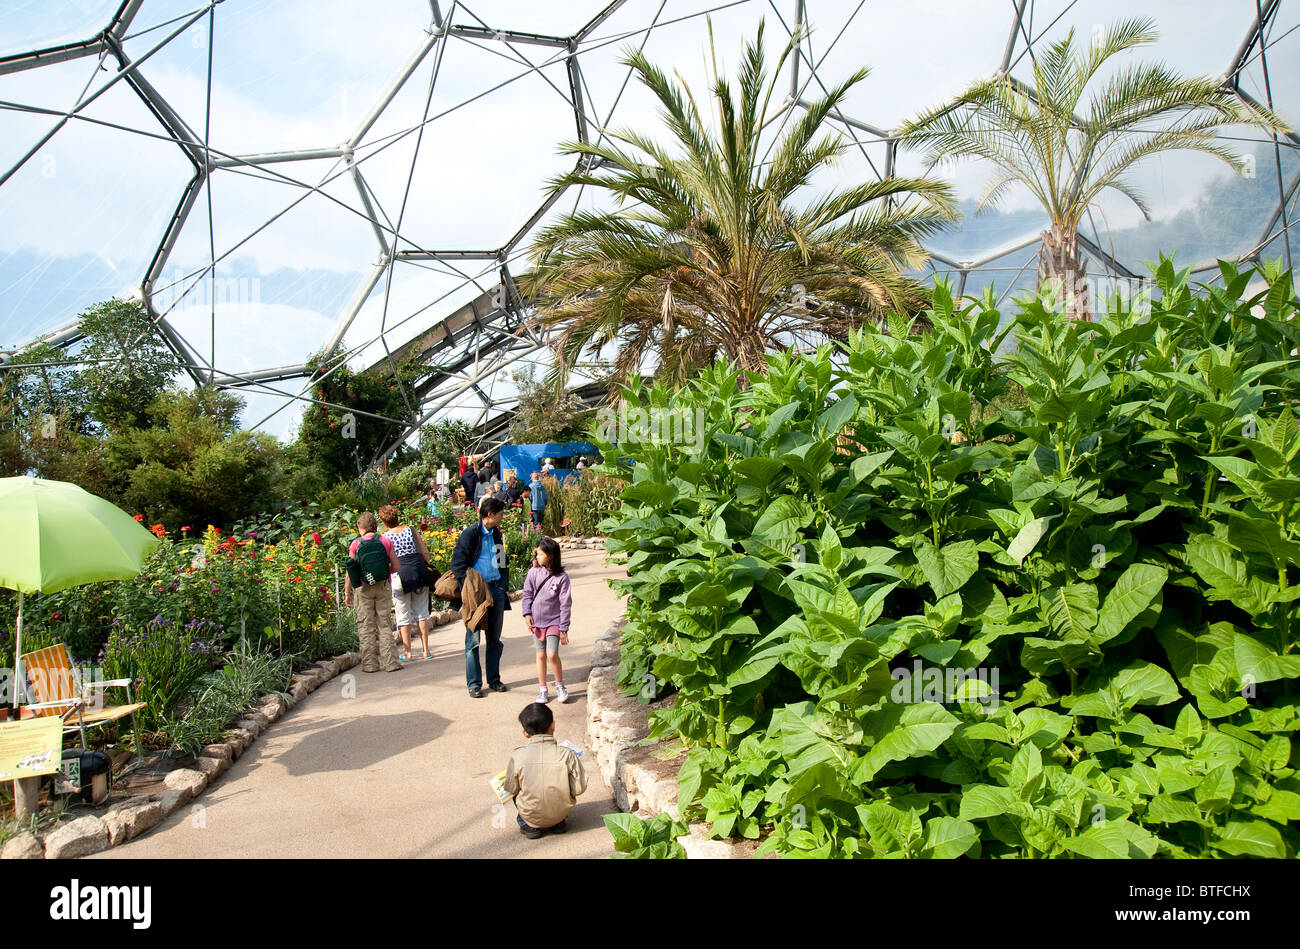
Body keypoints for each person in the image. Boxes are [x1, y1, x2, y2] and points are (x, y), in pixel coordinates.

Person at [450, 497, 511, 698]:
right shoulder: (470, 534)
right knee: (473, 641)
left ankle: (494, 679)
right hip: (476, 595)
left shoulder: (496, 535)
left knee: (494, 639)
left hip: (495, 590)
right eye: (501, 514)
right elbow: (457, 565)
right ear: (490, 514)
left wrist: (502, 586)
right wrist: (469, 588)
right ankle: (474, 684)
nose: (503, 517)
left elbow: (502, 561)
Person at [502, 703, 586, 839]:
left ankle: (529, 826)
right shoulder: (566, 754)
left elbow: (511, 788)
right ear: (553, 725)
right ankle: (557, 824)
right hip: (560, 813)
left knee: (514, 789)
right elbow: (579, 788)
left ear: (525, 733)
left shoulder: (517, 756)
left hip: (530, 816)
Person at [343, 512, 405, 673]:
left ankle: (370, 664)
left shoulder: (356, 544)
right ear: (375, 526)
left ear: (360, 528)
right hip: (383, 586)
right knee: (384, 624)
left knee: (365, 625)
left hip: (363, 589)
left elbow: (350, 571)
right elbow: (397, 567)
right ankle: (391, 663)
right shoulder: (385, 541)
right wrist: (383, 572)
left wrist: (347, 593)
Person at [378, 503, 437, 661]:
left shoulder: (385, 538)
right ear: (397, 517)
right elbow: (424, 552)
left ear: (383, 522)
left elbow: (386, 560)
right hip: (418, 574)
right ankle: (426, 650)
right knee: (422, 614)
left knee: (402, 616)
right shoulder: (411, 530)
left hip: (399, 577)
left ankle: (408, 652)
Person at [521, 535, 572, 704]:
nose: (537, 557)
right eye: (537, 554)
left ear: (550, 556)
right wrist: (527, 613)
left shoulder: (562, 578)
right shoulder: (533, 572)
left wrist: (563, 628)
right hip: (537, 621)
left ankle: (559, 685)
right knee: (540, 655)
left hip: (554, 621)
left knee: (551, 654)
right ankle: (542, 688)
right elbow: (527, 594)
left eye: (541, 554)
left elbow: (565, 603)